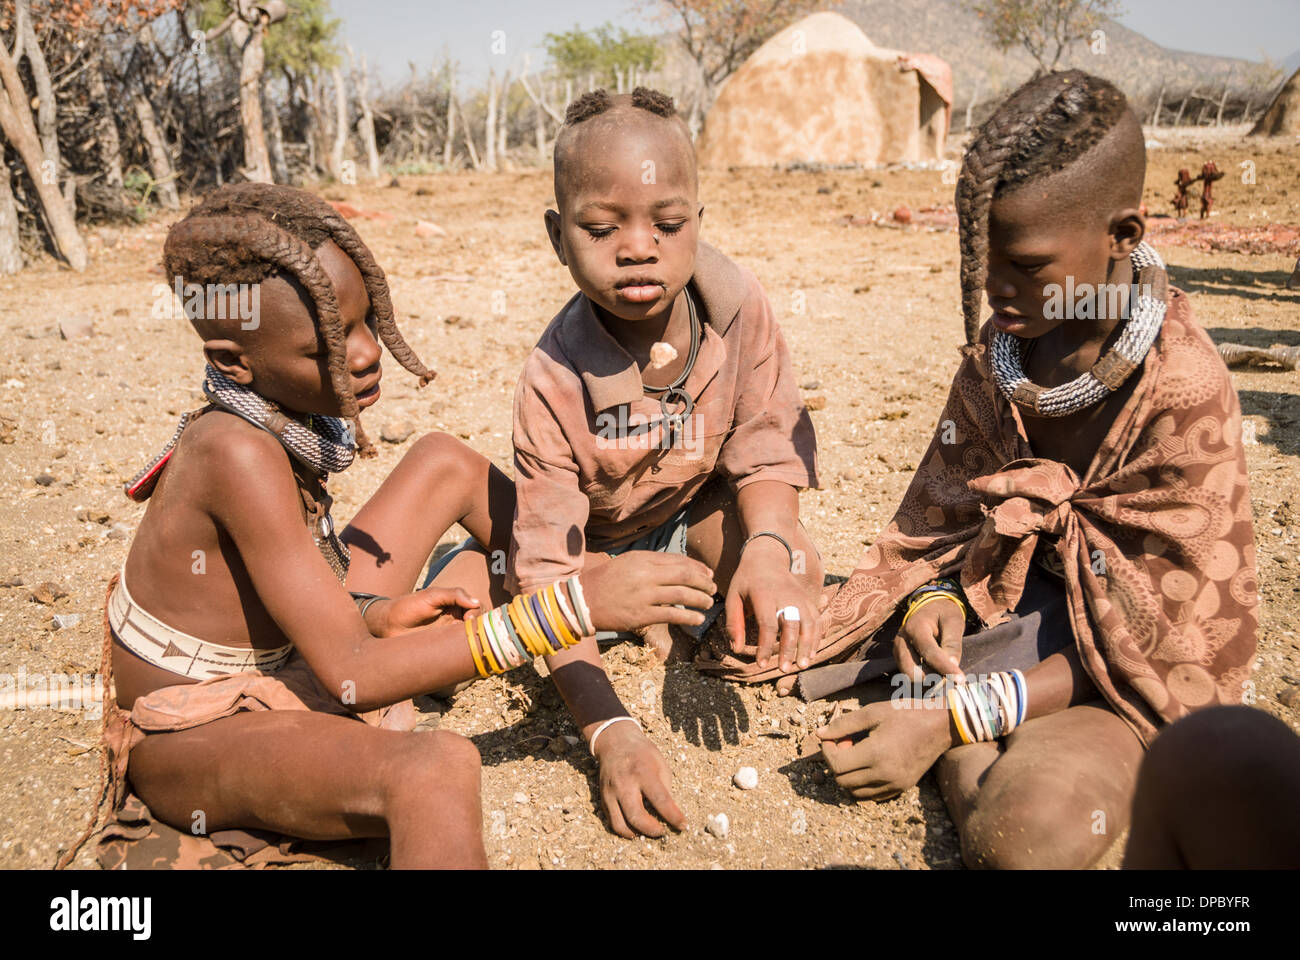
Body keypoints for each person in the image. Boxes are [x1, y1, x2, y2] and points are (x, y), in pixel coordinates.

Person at [76, 183, 709, 870]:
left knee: (444, 461)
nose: (363, 353)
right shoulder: (235, 453)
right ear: (234, 362)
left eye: (364, 322)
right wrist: (572, 609)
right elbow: (353, 675)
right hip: (199, 728)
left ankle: (593, 574)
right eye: (324, 346)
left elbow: (273, 587)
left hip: (296, 648)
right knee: (433, 769)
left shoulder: (272, 415)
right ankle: (591, 592)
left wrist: (373, 613)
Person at [794, 71, 1258, 868]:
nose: (994, 287)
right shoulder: (1006, 350)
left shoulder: (1182, 392)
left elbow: (1166, 638)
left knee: (1027, 839)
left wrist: (955, 717)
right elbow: (944, 523)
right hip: (1000, 615)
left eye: (1026, 264)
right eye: (983, 260)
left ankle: (950, 732)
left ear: (1123, 234)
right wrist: (933, 601)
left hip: (1105, 669)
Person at [425, 88, 823, 840]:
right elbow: (549, 565)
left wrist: (769, 549)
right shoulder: (553, 376)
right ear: (558, 236)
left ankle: (670, 613)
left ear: (698, 221)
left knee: (792, 577)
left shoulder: (738, 307)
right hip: (587, 553)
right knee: (464, 628)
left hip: (684, 515)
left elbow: (768, 442)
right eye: (602, 228)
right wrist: (610, 731)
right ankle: (510, 578)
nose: (639, 247)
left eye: (667, 225)